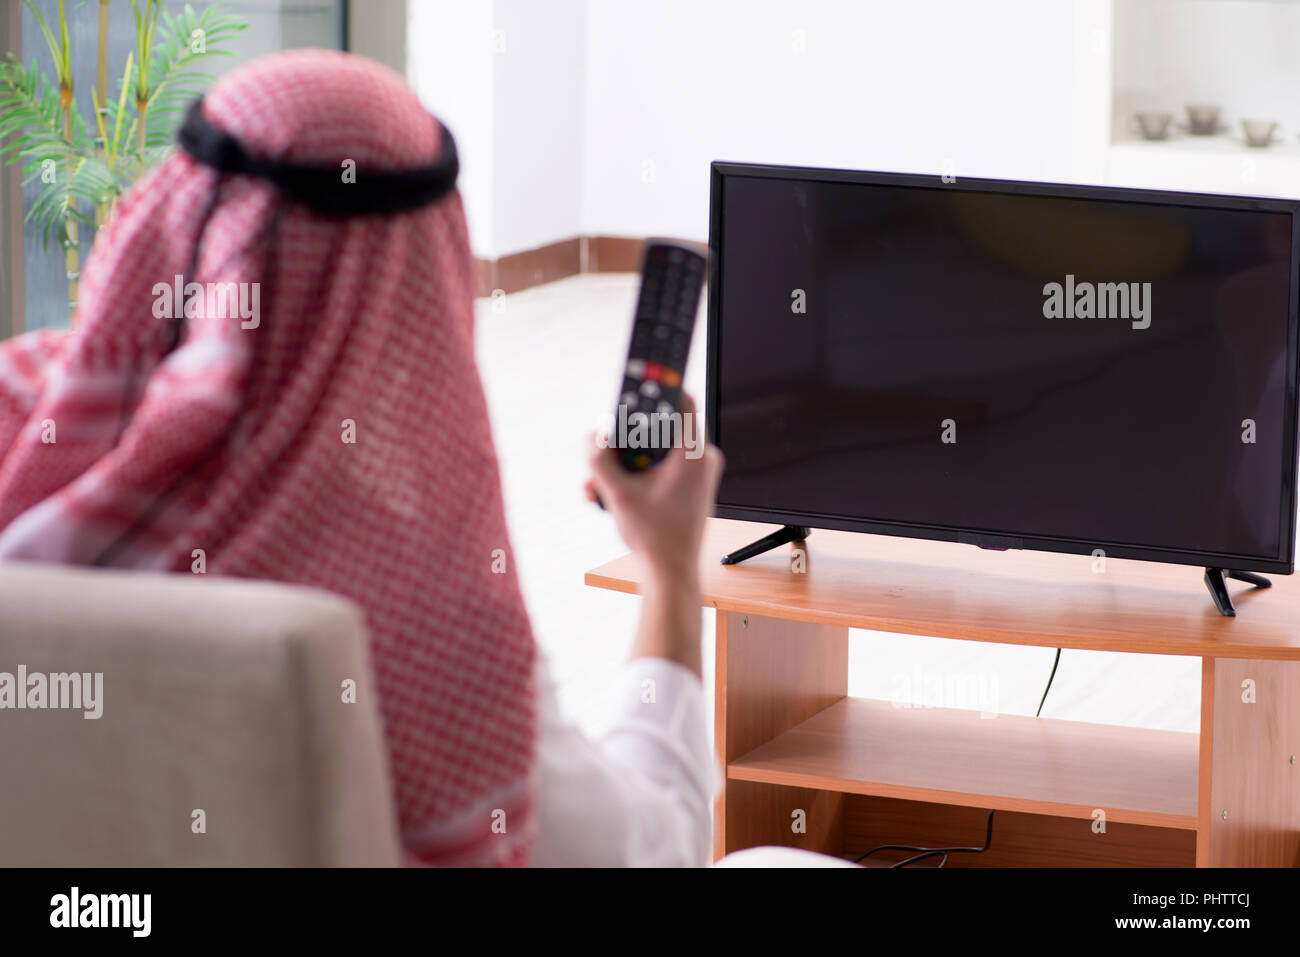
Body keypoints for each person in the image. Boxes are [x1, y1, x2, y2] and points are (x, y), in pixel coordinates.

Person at [0, 49, 723, 866]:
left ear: (178, 213)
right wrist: (670, 570)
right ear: (429, 277)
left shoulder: (19, 429)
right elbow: (655, 851)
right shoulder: (432, 643)